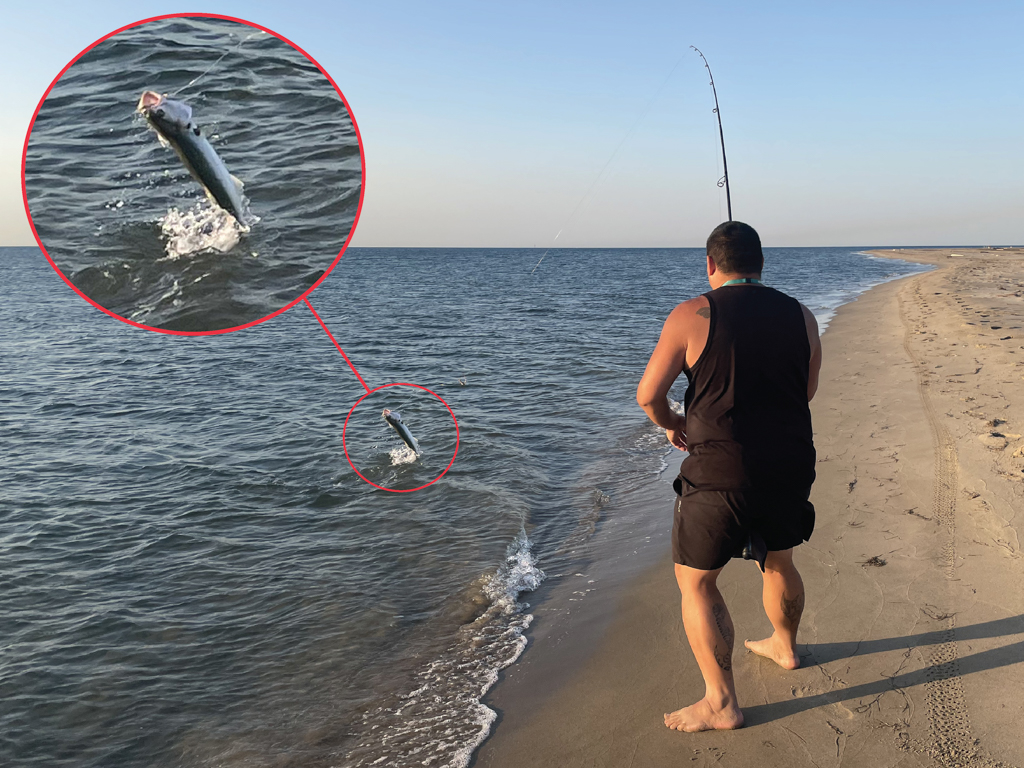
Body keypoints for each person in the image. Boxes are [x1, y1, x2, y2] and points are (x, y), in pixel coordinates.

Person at [636, 221, 822, 732]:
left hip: (720, 469)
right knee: (778, 556)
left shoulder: (692, 313)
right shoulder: (801, 315)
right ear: (760, 263)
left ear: (711, 265)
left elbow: (648, 396)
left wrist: (675, 424)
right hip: (789, 462)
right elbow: (805, 391)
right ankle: (785, 647)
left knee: (695, 581)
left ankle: (720, 701)